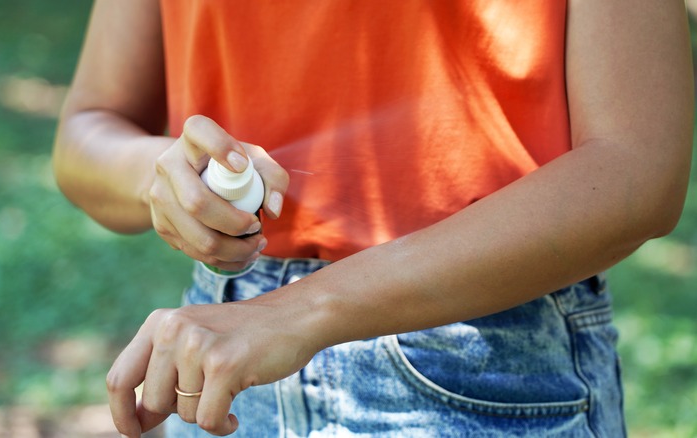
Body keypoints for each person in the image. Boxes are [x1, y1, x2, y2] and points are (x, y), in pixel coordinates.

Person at [52, 0, 693, 436]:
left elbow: (638, 168)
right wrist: (161, 176)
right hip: (221, 354)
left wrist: (296, 313)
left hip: (481, 355)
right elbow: (87, 130)